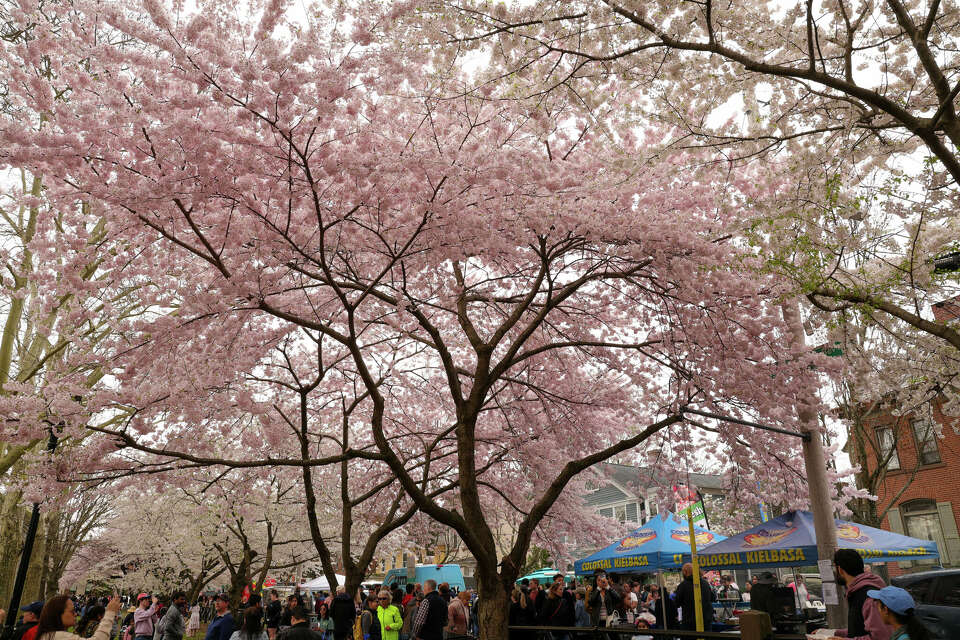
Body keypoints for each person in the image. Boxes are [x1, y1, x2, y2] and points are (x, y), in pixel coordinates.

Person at [829, 549, 891, 640]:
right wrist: (834, 633)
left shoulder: (869, 596)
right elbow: (860, 629)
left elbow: (881, 637)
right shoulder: (857, 592)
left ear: (840, 569)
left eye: (834, 568)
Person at [33, 594, 121, 640]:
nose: (75, 614)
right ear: (58, 614)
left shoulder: (48, 635)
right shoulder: (57, 636)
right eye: (71, 611)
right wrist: (109, 613)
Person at [675, 562, 714, 631]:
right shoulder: (705, 583)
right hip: (706, 620)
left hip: (690, 622)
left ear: (685, 572)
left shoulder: (683, 585)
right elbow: (713, 597)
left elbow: (677, 602)